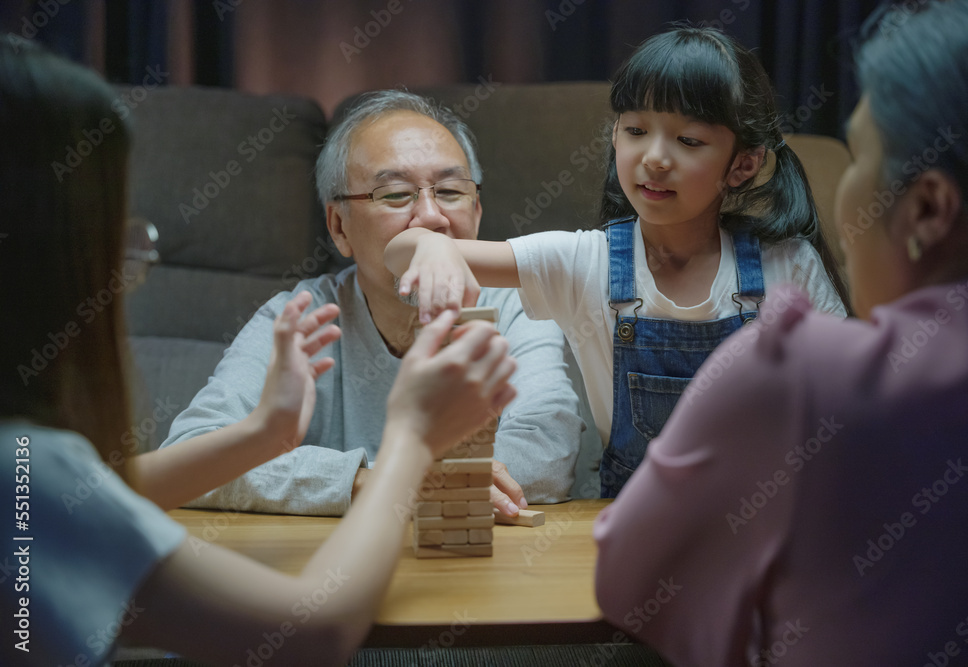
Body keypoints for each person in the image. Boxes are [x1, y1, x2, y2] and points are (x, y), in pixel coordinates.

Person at [0, 41, 517, 666]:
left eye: (450, 191)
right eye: (113, 229)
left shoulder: (31, 468)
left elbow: (100, 493)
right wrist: (411, 441)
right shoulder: (29, 466)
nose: (430, 220)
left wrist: (262, 437)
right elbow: (311, 635)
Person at [592, 1, 968, 664]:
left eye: (859, 158)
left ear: (926, 208)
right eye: (634, 129)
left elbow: (627, 582)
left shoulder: (795, 368)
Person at [385, 27, 848, 497]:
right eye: (636, 131)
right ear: (614, 134)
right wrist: (432, 247)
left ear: (742, 164)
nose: (654, 158)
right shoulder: (584, 261)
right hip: (629, 524)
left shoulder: (789, 265)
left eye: (688, 141)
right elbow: (396, 252)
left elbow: (848, 402)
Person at [160, 90, 585, 517]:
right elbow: (191, 453)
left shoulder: (521, 307)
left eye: (451, 191)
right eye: (396, 194)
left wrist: (433, 482)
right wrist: (384, 482)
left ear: (476, 212)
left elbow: (549, 452)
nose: (432, 217)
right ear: (339, 227)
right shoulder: (301, 318)